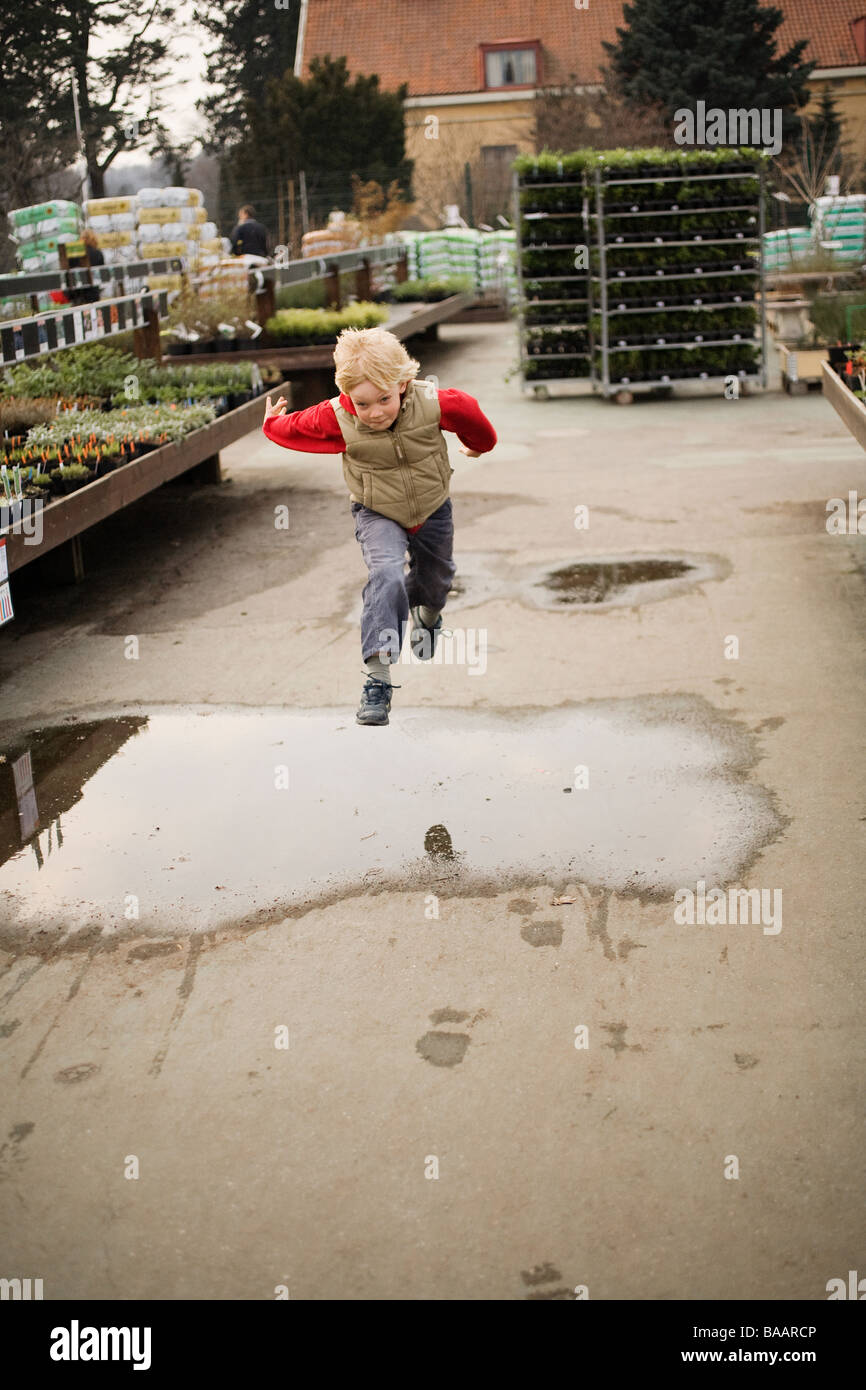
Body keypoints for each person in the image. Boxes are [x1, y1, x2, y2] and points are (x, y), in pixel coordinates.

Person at [262, 326, 497, 725]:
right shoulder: (337, 416)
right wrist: (272, 424)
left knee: (436, 580)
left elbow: (473, 418)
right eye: (362, 404)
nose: (373, 413)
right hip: (376, 511)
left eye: (383, 399)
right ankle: (378, 677)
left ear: (403, 384)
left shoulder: (435, 403)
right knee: (386, 575)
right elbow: (295, 428)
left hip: (432, 507)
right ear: (347, 396)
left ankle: (427, 616)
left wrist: (478, 446)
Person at [66, 229, 105, 305]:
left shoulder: (74, 254)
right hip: (93, 293)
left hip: (76, 293)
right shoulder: (98, 253)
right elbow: (102, 273)